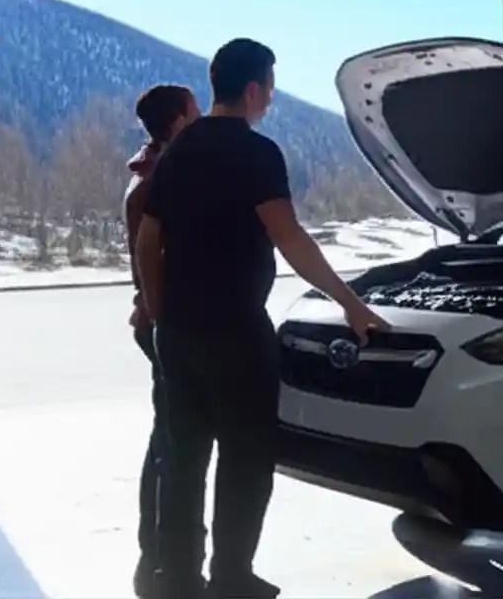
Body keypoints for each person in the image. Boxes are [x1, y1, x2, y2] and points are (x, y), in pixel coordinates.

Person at [136, 38, 389, 598]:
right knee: (246, 461)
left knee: (182, 459)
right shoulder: (256, 153)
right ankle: (231, 577)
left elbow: (149, 236)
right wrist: (351, 303)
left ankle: (176, 578)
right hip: (235, 332)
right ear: (253, 88)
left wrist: (159, 314)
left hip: (178, 332)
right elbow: (289, 236)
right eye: (270, 87)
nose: (270, 98)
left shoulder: (178, 149)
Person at [123, 83, 200, 598]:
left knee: (167, 441)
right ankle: (161, 562)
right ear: (176, 123)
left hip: (153, 319)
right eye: (195, 112)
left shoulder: (150, 174)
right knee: (174, 447)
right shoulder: (160, 182)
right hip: (165, 322)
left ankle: (158, 558)